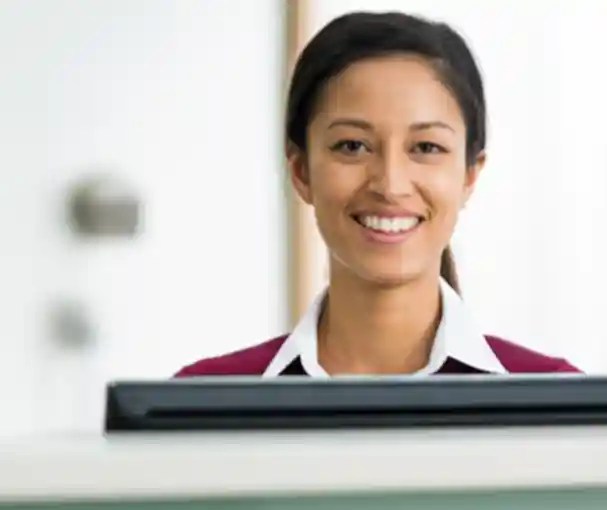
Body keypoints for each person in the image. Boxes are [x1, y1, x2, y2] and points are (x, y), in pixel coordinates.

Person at [177, 12, 579, 378]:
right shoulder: (202, 400)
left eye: (426, 148)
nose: (390, 184)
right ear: (301, 171)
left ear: (469, 176)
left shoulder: (560, 398)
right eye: (352, 146)